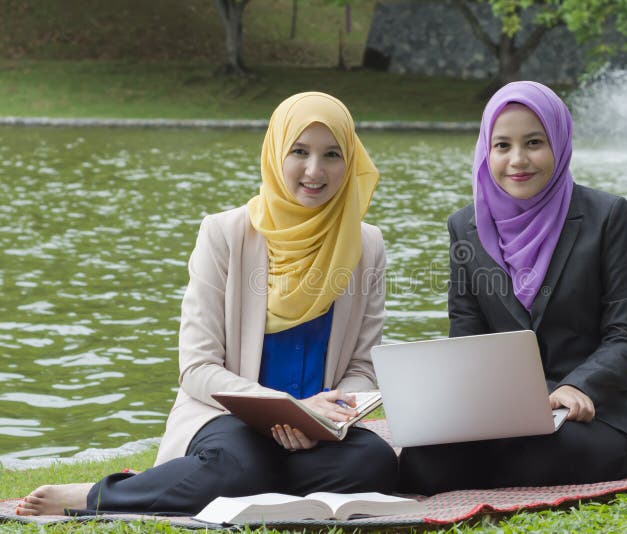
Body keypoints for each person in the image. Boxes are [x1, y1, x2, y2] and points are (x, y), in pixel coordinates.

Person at [16, 92, 398, 516]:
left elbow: (362, 368)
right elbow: (197, 368)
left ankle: (247, 483)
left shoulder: (366, 244)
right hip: (229, 419)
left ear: (350, 162)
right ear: (275, 154)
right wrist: (287, 410)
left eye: (331, 154)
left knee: (375, 464)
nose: (314, 170)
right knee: (237, 468)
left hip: (318, 432)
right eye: (299, 152)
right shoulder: (225, 234)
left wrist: (330, 416)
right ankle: (99, 495)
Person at [397, 81, 627, 495]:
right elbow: (467, 336)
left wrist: (578, 386)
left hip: (591, 413)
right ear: (485, 150)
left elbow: (625, 335)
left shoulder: (607, 216)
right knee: (421, 463)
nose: (518, 160)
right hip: (501, 416)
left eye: (534, 142)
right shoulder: (466, 227)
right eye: (502, 145)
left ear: (559, 142)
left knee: (546, 453)